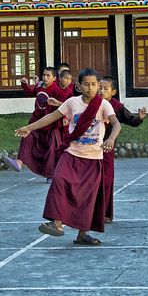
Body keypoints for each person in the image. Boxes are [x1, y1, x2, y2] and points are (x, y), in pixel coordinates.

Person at [16, 68, 121, 246]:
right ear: (79, 86)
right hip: (71, 153)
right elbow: (51, 116)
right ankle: (56, 222)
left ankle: (82, 233)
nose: (91, 88)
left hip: (93, 158)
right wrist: (30, 128)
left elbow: (116, 124)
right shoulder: (72, 103)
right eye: (86, 84)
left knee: (87, 197)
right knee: (59, 181)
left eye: (94, 84)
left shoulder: (103, 105)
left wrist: (111, 138)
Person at [99, 76, 147, 223]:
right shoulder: (91, 104)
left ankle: (105, 214)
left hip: (106, 150)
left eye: (105, 89)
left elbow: (131, 121)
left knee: (106, 181)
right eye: (99, 87)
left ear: (113, 91)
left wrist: (139, 118)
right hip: (89, 148)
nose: (101, 91)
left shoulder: (116, 106)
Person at [5, 67, 64, 178]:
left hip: (51, 123)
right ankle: (19, 162)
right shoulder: (40, 86)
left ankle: (50, 174)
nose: (45, 78)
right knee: (27, 137)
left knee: (50, 149)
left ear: (54, 78)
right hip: (36, 120)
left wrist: (59, 106)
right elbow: (31, 93)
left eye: (48, 76)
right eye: (44, 75)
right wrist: (25, 85)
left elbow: (66, 106)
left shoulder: (57, 90)